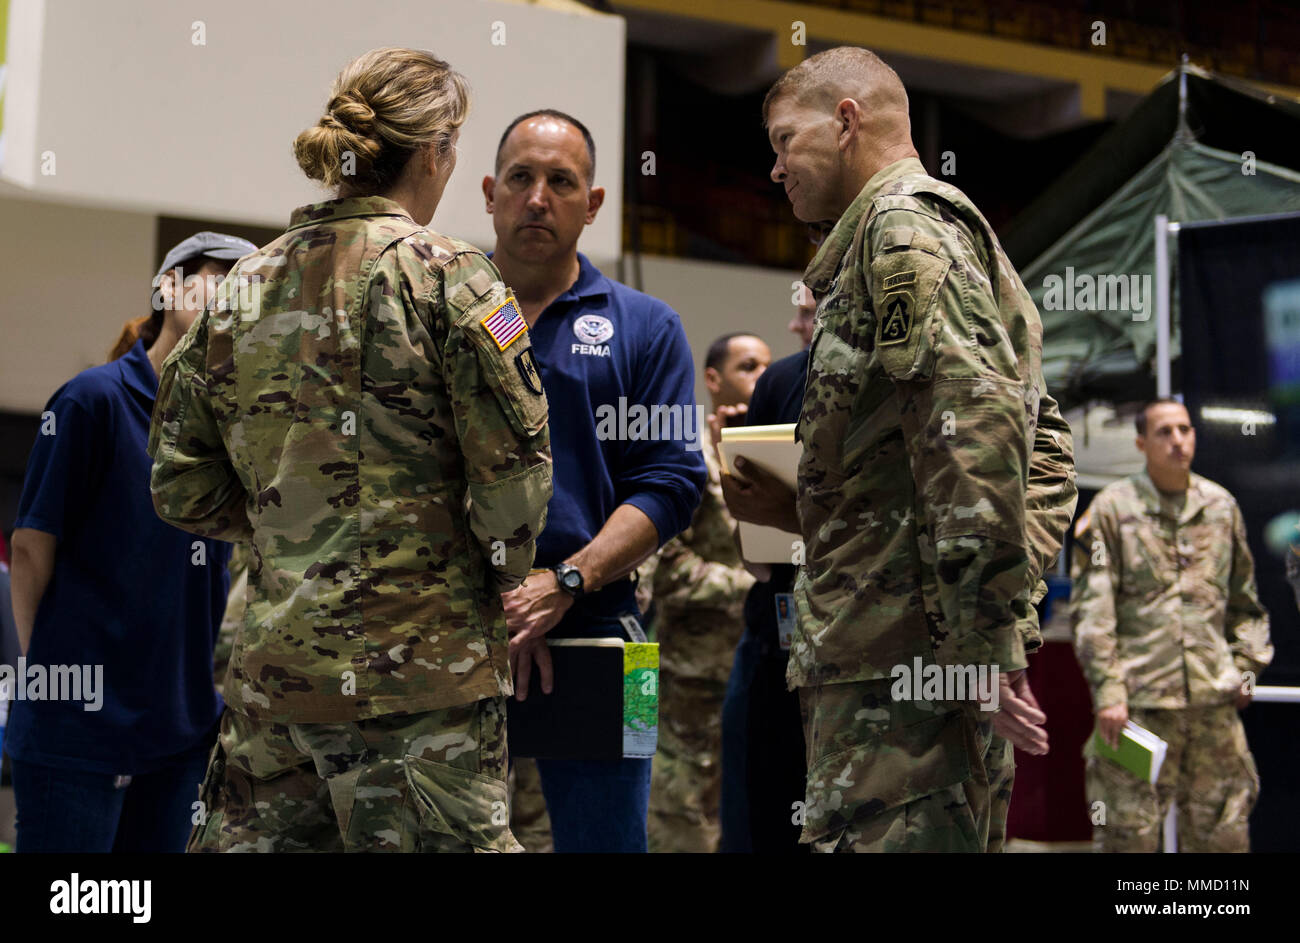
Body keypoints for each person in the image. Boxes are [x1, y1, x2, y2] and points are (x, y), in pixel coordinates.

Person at [149, 46, 553, 853]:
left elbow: (179, 485)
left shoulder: (242, 287)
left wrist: (288, 529)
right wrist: (496, 574)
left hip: (277, 684)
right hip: (421, 691)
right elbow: (515, 483)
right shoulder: (451, 279)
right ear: (438, 151)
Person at [730, 46, 1077, 852]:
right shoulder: (901, 236)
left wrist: (983, 641)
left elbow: (983, 437)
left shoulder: (901, 233)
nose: (776, 168)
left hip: (906, 684)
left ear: (846, 120)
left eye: (785, 141)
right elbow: (1041, 443)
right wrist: (995, 624)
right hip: (902, 668)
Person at [484, 109, 706, 854]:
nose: (538, 197)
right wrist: (506, 602)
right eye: (521, 178)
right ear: (489, 192)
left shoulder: (650, 325)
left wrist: (566, 582)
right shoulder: (439, 311)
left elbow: (674, 481)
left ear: (595, 202)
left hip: (612, 625)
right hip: (461, 627)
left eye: (561, 181)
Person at [7, 230, 255, 852]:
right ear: (168, 288)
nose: (232, 299)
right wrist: (53, 678)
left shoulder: (233, 429)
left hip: (180, 736)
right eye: (216, 278)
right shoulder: (91, 400)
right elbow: (33, 548)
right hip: (78, 735)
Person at [1071, 399, 1271, 853]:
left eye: (1184, 430)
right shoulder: (1109, 511)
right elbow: (1092, 612)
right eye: (1164, 432)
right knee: (1129, 836)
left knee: (1224, 838)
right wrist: (1108, 692)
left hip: (1212, 708)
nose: (1178, 440)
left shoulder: (1221, 507)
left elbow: (1247, 607)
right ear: (1141, 443)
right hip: (1138, 709)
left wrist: (1246, 667)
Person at [643, 331, 770, 853]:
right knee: (678, 815)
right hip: (682, 679)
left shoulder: (775, 456)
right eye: (747, 366)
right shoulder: (682, 455)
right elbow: (665, 566)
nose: (760, 376)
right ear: (713, 379)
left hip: (754, 672)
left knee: (744, 815)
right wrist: (755, 586)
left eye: (766, 366)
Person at [718, 284, 814, 854]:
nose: (800, 325)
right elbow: (750, 556)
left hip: (847, 654)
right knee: (742, 820)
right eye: (799, 312)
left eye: (812, 311)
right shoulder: (781, 385)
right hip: (756, 650)